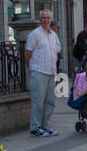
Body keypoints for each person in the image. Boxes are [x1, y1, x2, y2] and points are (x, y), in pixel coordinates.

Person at [24, 9, 61, 137]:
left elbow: (57, 51)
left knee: (50, 102)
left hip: (51, 71)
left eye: (48, 18)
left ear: (51, 19)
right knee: (38, 102)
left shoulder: (53, 35)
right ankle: (35, 127)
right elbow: (27, 53)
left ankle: (46, 125)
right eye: (43, 18)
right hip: (38, 71)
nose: (46, 20)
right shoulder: (34, 34)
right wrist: (31, 67)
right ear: (40, 19)